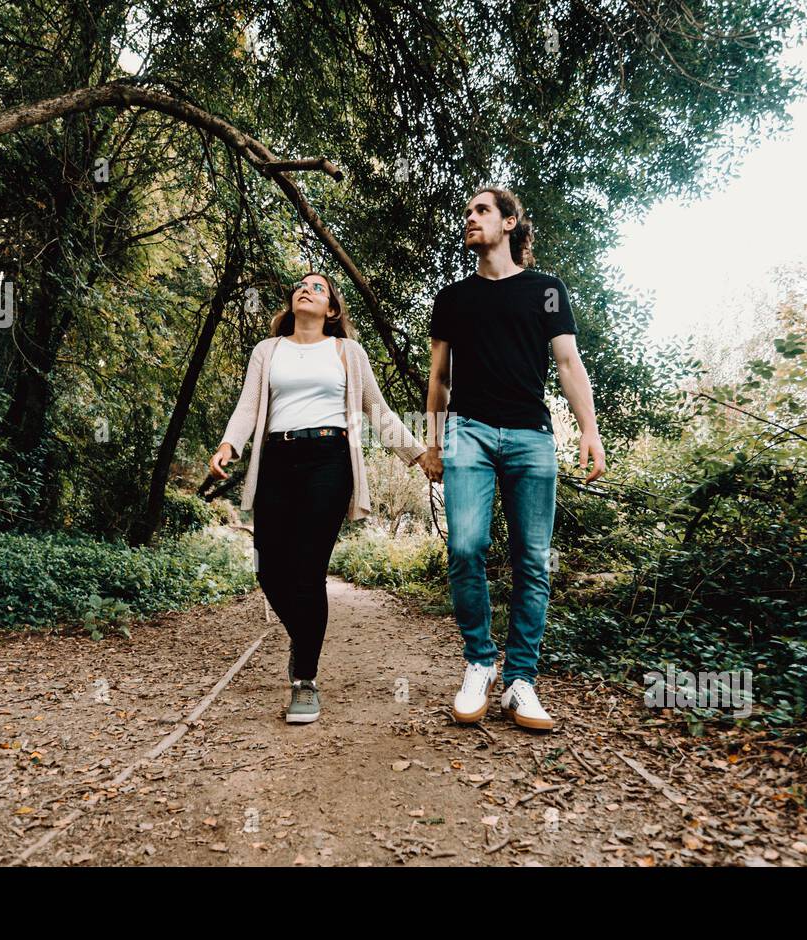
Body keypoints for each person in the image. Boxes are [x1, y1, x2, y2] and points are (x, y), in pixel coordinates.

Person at [419, 186, 606, 731]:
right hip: (467, 433)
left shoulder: (546, 291)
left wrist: (589, 431)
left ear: (509, 222)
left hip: (531, 436)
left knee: (532, 560)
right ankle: (479, 662)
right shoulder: (452, 298)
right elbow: (438, 378)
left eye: (481, 210)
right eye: (467, 213)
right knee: (465, 545)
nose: (471, 219)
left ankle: (520, 680)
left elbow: (569, 363)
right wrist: (433, 442)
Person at [209, 271, 427, 724]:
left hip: (329, 460)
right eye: (301, 285)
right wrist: (230, 444)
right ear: (293, 302)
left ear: (331, 310)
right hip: (276, 459)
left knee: (308, 571)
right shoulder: (267, 351)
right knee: (270, 569)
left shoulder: (348, 352)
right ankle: (304, 637)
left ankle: (304, 680)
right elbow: (248, 405)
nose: (307, 289)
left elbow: (378, 410)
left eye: (319, 287)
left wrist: (419, 454)